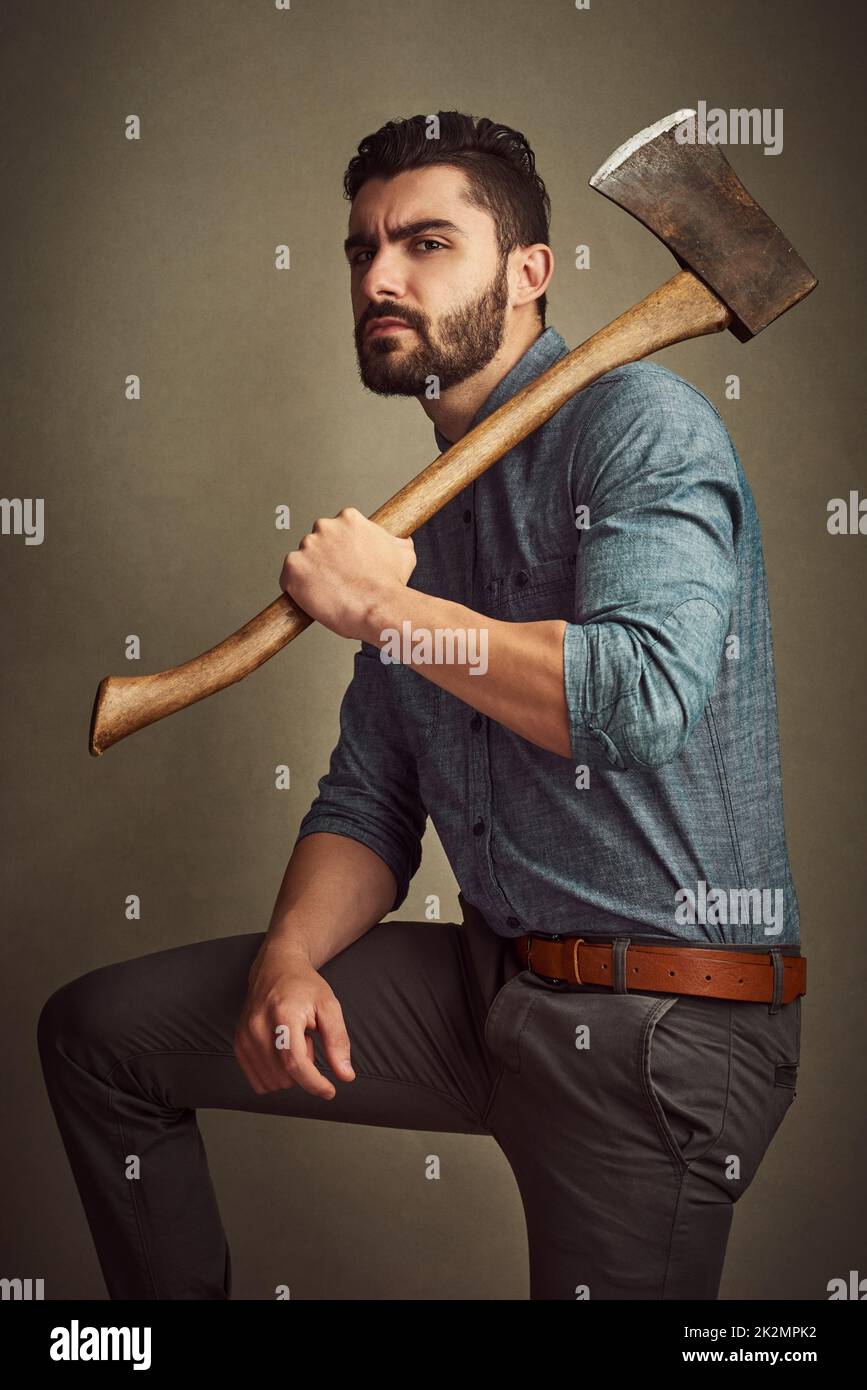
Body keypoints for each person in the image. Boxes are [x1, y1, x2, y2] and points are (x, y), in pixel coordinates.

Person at [38, 110, 804, 1301]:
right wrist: (289, 958)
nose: (380, 277)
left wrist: (384, 613)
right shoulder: (423, 524)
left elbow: (640, 695)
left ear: (531, 271)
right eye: (363, 249)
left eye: (427, 243)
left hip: (656, 1018)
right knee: (100, 1035)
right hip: (487, 991)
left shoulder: (642, 426)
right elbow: (370, 801)